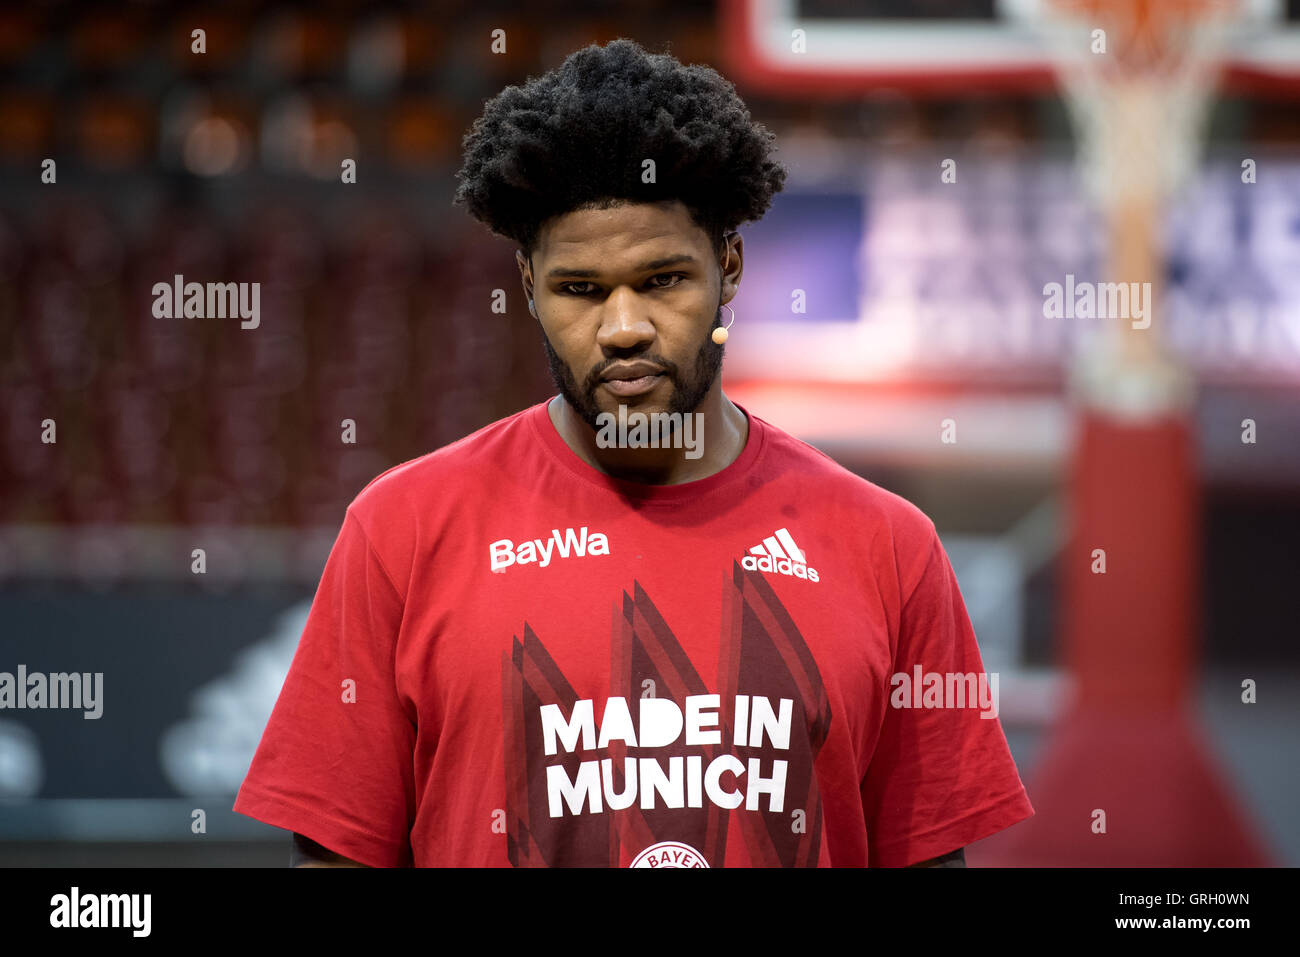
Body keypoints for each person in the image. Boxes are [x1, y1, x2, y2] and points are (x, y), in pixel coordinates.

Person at [234, 37, 1033, 868]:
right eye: (581, 290)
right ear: (528, 287)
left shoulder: (890, 548)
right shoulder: (401, 530)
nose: (623, 329)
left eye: (662, 281)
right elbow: (334, 857)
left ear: (729, 267)